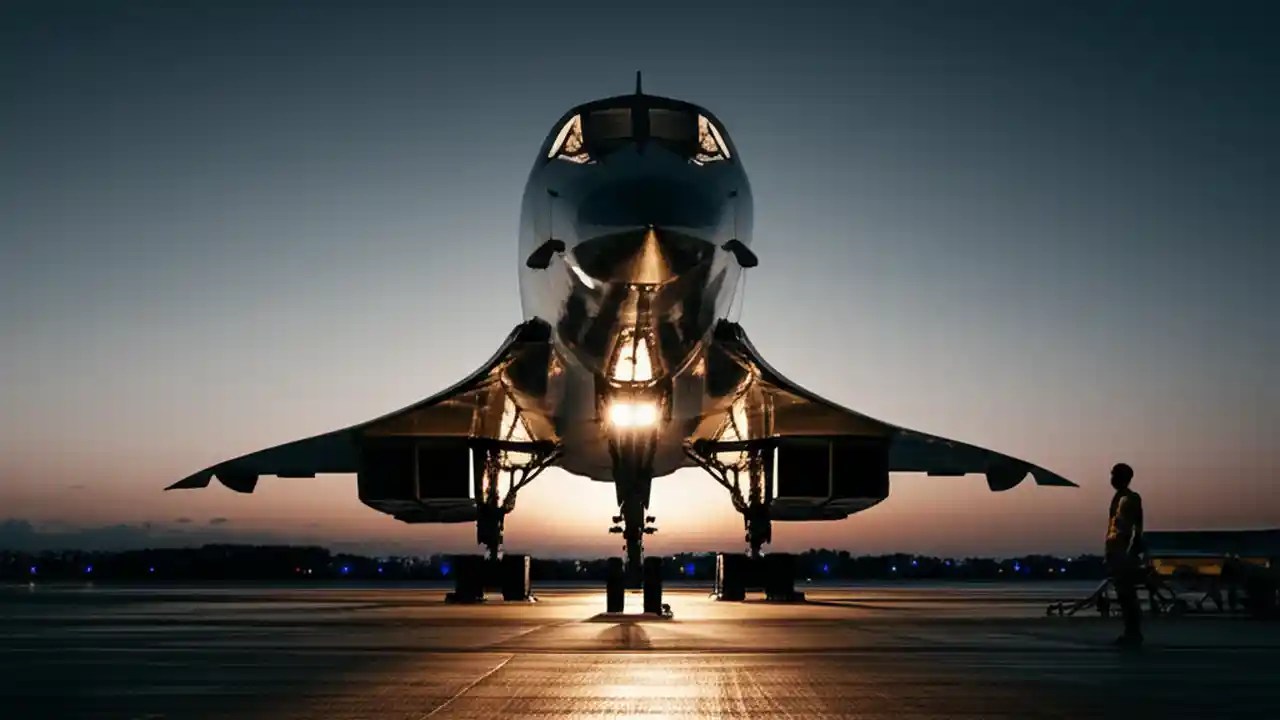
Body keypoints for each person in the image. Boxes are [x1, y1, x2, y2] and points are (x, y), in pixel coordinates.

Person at [1106, 462, 1145, 646]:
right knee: (1123, 595)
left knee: (1127, 595)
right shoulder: (1118, 498)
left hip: (1123, 554)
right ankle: (1130, 631)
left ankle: (1133, 633)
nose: (1112, 479)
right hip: (1116, 552)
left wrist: (1129, 553)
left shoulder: (1131, 498)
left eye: (1115, 475)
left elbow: (1136, 528)